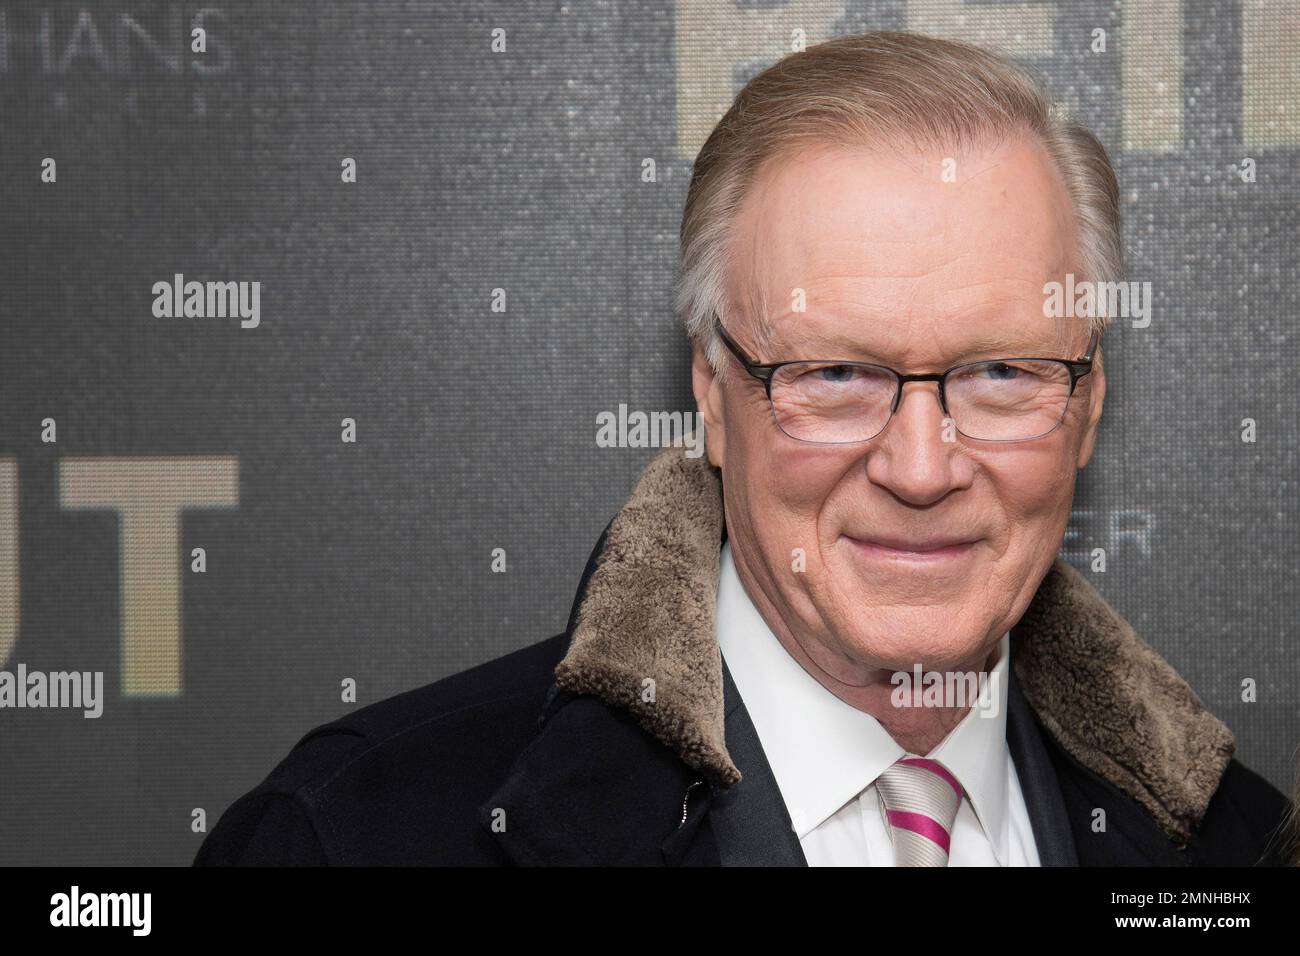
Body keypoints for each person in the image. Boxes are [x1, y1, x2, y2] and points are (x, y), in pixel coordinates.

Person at [195, 31, 1293, 866]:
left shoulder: (1240, 850)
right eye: (835, 374)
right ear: (712, 393)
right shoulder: (353, 838)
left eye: (1002, 372)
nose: (921, 469)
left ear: (1088, 404)